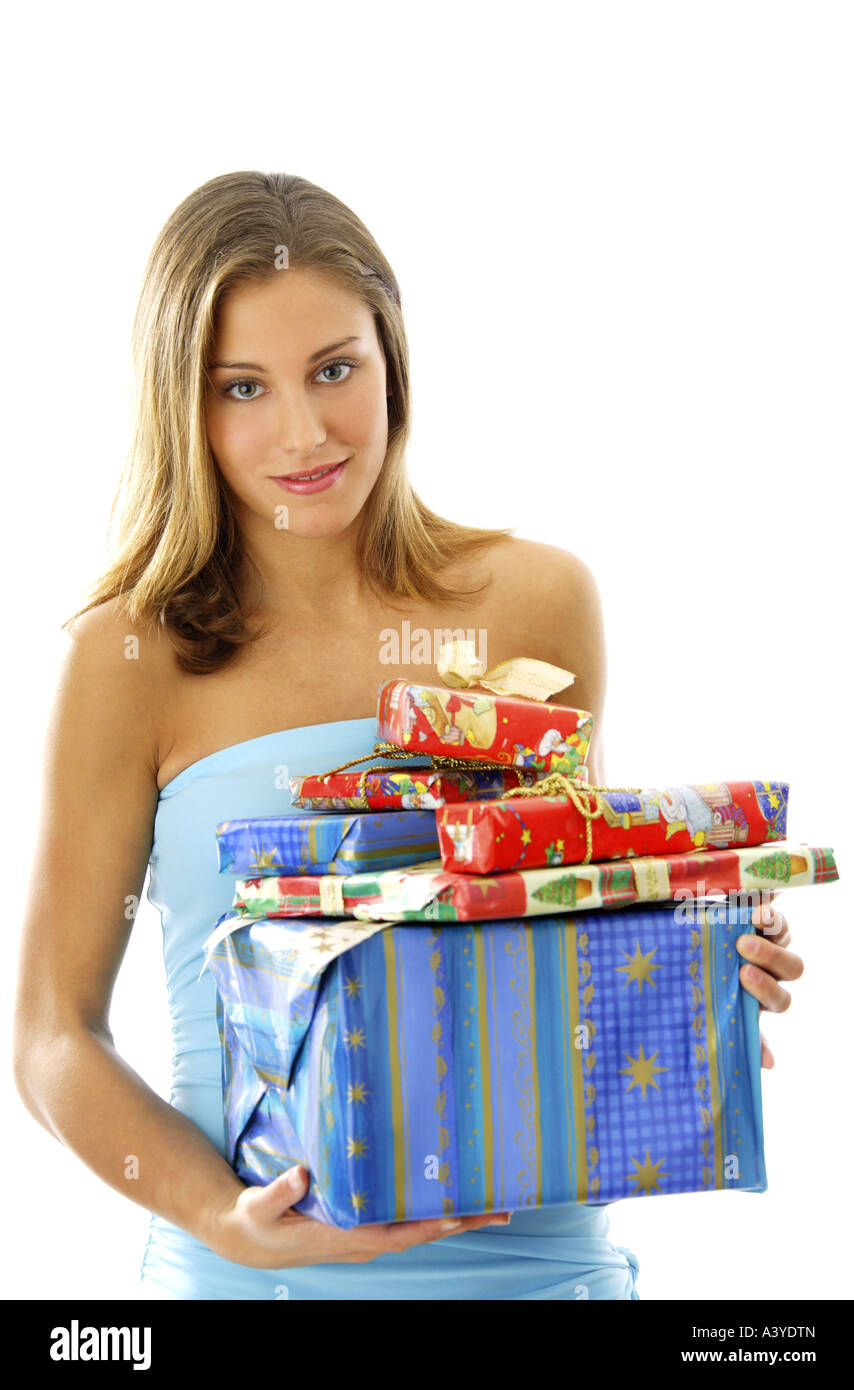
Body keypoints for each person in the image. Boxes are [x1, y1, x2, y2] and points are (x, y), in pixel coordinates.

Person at [12, 171, 803, 1301]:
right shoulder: (126, 656)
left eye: (334, 369)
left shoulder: (537, 601)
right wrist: (222, 1219)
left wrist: (702, 952)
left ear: (392, 360)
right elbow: (50, 1039)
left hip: (540, 1267)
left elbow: (546, 930)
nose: (303, 431)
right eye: (241, 387)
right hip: (252, 1273)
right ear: (178, 404)